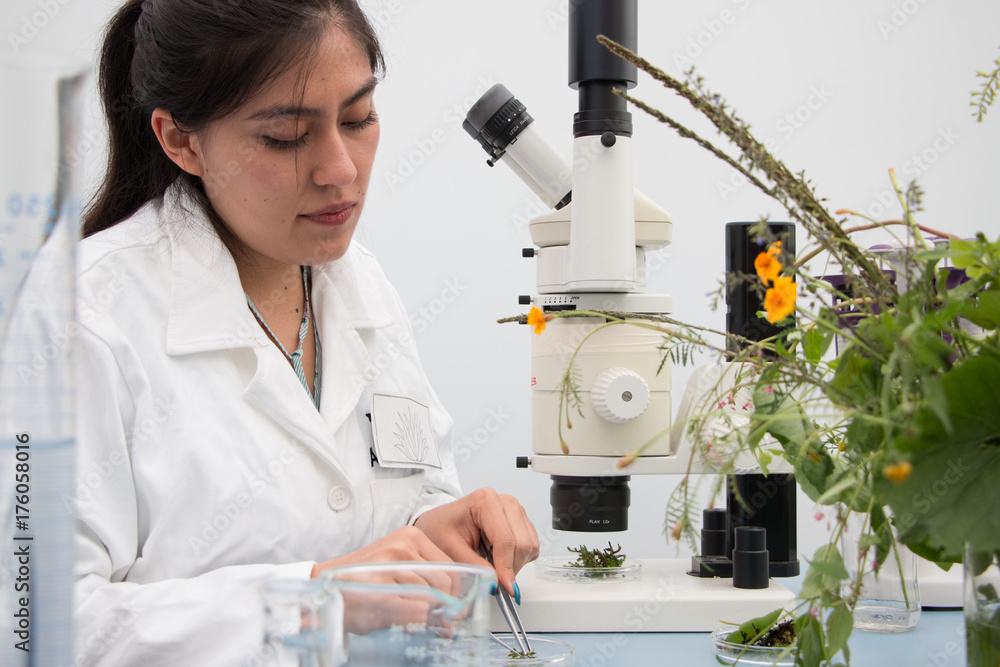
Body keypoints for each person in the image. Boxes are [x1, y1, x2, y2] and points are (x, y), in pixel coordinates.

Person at [1, 0, 538, 664]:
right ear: (181, 140)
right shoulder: (82, 315)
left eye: (358, 117)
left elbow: (401, 492)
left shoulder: (359, 284)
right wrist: (311, 599)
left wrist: (437, 529)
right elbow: (35, 623)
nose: (340, 168)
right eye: (287, 134)